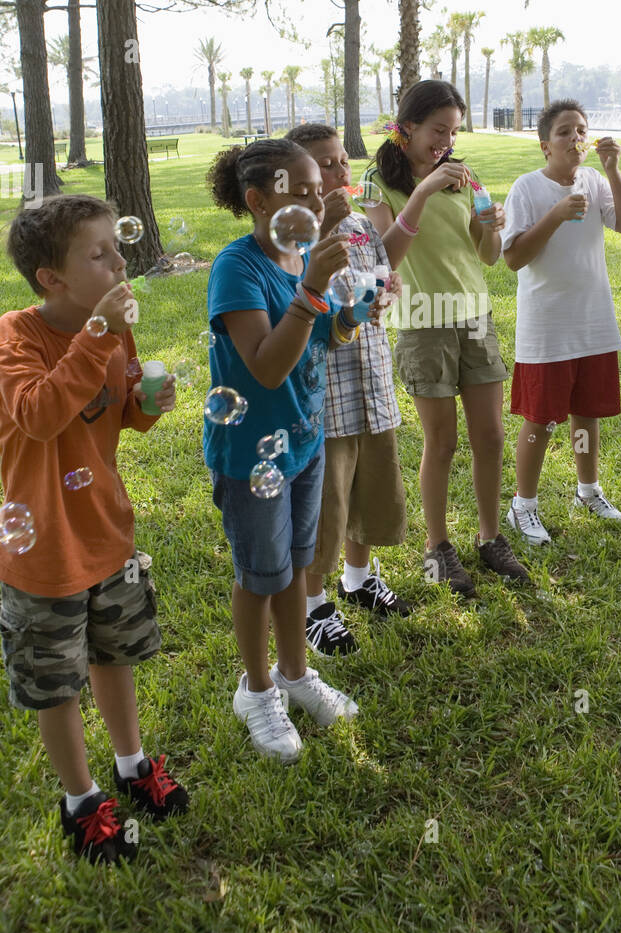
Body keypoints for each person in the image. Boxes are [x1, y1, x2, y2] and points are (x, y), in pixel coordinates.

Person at [0, 195, 187, 865]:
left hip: (108, 533)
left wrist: (148, 407)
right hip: (43, 549)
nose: (120, 261)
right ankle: (80, 801)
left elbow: (118, 411)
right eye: (99, 252)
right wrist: (100, 335)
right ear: (52, 278)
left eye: (118, 245)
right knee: (58, 684)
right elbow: (42, 415)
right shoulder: (14, 337)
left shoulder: (114, 328)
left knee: (116, 655)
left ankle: (132, 764)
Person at [206, 139, 368, 762]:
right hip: (253, 452)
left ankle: (297, 675)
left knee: (298, 565)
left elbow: (321, 339)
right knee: (261, 574)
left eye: (318, 188)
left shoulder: (302, 255)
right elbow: (268, 368)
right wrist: (315, 287)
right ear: (257, 200)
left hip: (302, 440)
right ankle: (257, 689)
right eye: (299, 190)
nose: (316, 198)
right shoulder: (237, 268)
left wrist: (351, 313)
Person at [362, 79, 529, 598]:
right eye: (438, 131)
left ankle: (490, 537)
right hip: (421, 321)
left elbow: (486, 254)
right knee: (442, 441)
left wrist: (492, 224)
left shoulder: (464, 176)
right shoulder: (375, 182)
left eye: (453, 132)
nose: (446, 143)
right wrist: (426, 189)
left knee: (491, 437)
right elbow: (383, 257)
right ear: (406, 127)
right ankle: (437, 548)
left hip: (475, 316)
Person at [286, 123, 409, 655]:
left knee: (372, 489)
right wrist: (320, 227)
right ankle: (312, 606)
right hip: (325, 393)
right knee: (327, 504)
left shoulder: (361, 223)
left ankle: (357, 580)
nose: (338, 173)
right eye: (324, 166)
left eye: (341, 162)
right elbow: (292, 295)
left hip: (370, 377)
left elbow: (382, 277)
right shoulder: (288, 235)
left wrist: (385, 293)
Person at [501, 99, 621, 545]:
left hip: (593, 319)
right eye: (564, 131)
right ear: (545, 145)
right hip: (548, 325)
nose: (575, 137)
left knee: (587, 413)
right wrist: (555, 216)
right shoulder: (527, 188)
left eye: (580, 129)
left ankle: (587, 490)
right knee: (541, 419)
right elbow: (513, 257)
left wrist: (614, 170)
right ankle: (522, 506)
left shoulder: (595, 180)